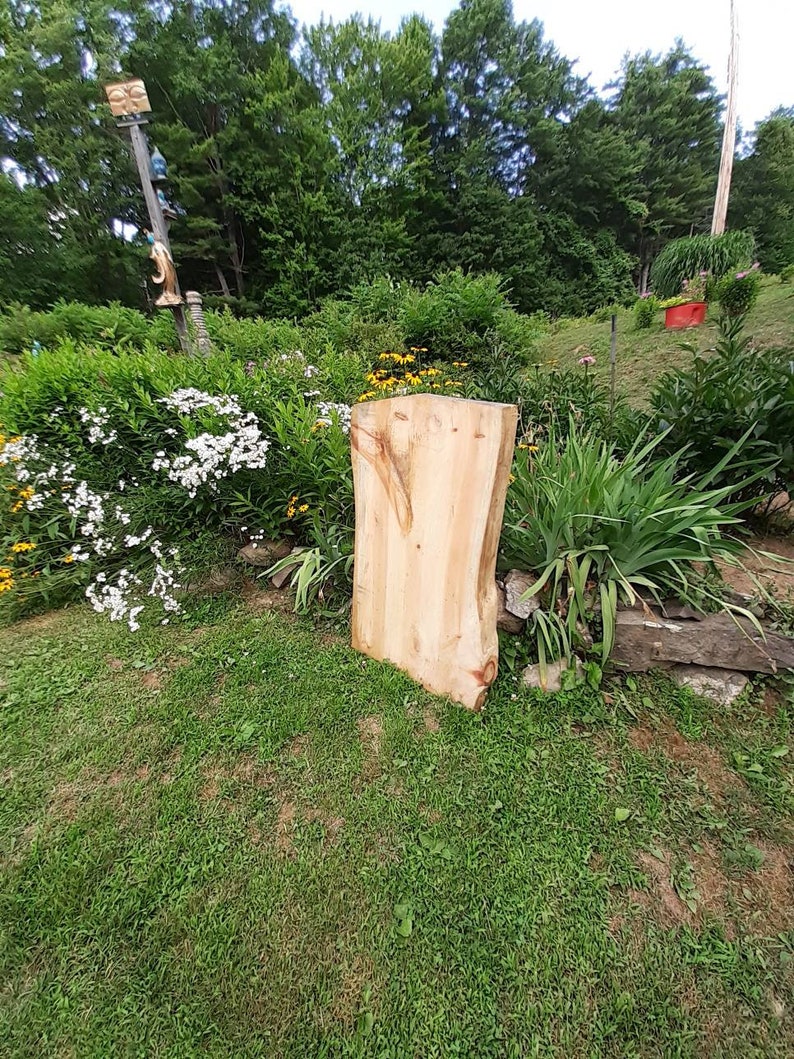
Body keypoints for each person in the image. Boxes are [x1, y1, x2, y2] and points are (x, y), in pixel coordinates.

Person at [146, 230, 181, 307]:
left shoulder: (159, 245)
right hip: (161, 264)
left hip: (166, 264)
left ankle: (170, 293)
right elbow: (153, 256)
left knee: (170, 277)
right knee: (165, 278)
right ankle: (167, 294)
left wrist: (169, 261)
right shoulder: (154, 247)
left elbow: (167, 254)